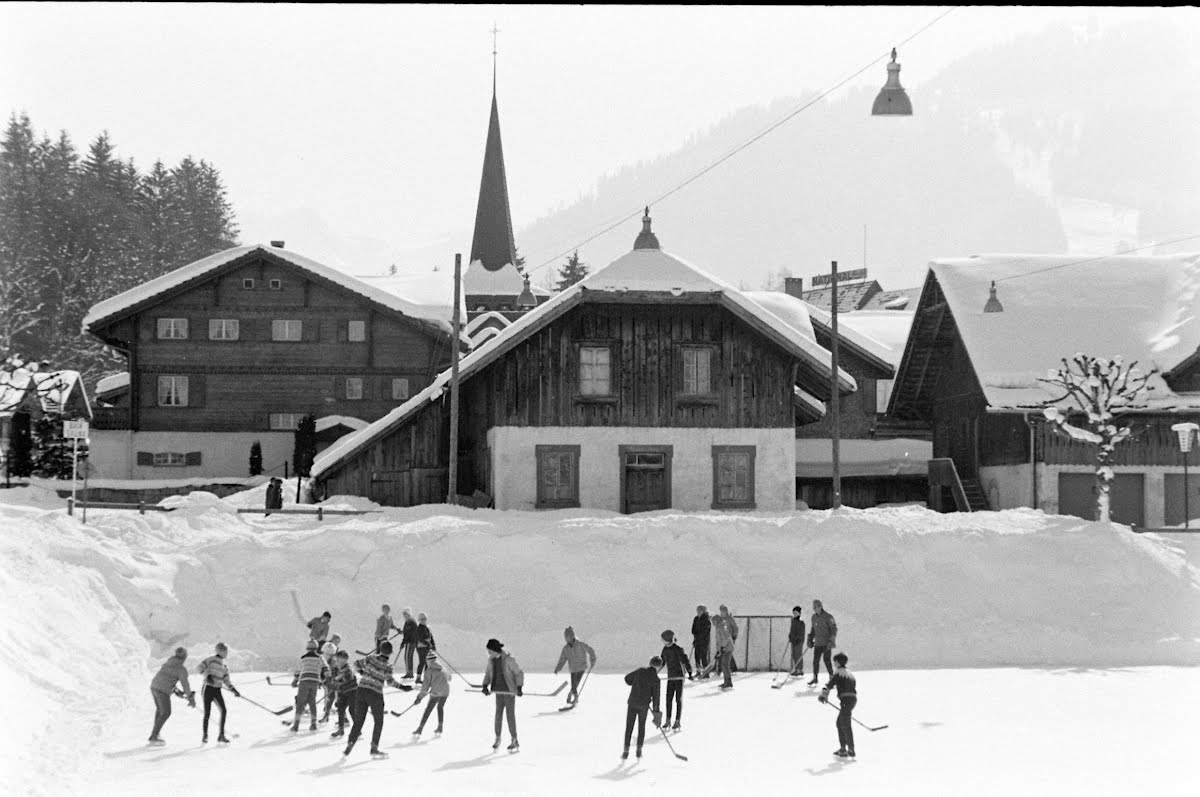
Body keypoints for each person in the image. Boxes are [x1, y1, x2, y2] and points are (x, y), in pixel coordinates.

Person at [344, 640, 409, 758]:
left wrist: (361, 672)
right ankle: (374, 748)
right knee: (378, 721)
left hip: (361, 690)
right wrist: (403, 687)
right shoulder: (388, 666)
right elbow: (390, 682)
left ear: (380, 649)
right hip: (375, 694)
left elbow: (356, 664)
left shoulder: (371, 658)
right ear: (391, 653)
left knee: (359, 721)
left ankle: (350, 743)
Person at [481, 638, 524, 752]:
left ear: (495, 650)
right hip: (498, 691)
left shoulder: (508, 660)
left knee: (510, 716)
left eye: (490, 651)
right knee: (498, 715)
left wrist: (519, 687)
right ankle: (498, 738)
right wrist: (485, 685)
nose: (489, 653)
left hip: (509, 692)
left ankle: (514, 739)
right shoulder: (491, 660)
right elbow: (488, 674)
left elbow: (518, 673)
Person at [149, 647, 194, 744]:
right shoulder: (181, 669)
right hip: (162, 690)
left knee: (160, 710)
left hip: (154, 686)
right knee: (166, 712)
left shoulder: (169, 662)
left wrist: (176, 691)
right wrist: (191, 698)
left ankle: (155, 733)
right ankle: (154, 736)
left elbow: (167, 678)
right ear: (184, 657)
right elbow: (185, 685)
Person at [196, 642, 240, 743]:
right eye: (225, 651)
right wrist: (208, 676)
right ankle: (205, 736)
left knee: (223, 711)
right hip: (207, 688)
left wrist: (234, 690)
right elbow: (199, 669)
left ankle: (221, 736)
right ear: (220, 651)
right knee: (207, 713)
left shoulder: (224, 665)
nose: (226, 653)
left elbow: (226, 680)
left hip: (217, 690)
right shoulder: (210, 660)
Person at [622, 656, 663, 760]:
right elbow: (656, 699)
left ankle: (626, 750)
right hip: (643, 706)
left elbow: (627, 679)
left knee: (629, 727)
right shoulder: (656, 680)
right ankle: (639, 751)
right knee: (641, 727)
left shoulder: (640, 671)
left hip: (632, 702)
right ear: (659, 667)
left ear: (650, 663)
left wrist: (636, 683)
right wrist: (656, 714)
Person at [818, 651, 857, 758]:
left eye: (834, 661)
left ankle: (850, 749)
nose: (834, 664)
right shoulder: (850, 673)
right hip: (852, 700)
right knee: (840, 723)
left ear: (838, 663)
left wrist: (823, 695)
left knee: (845, 724)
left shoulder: (839, 672)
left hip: (845, 701)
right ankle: (844, 748)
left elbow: (829, 685)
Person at [291, 640, 330, 732]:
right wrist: (326, 679)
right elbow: (326, 668)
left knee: (300, 703)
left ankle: (296, 725)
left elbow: (298, 671)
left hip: (304, 681)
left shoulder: (303, 658)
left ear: (307, 648)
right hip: (315, 682)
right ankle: (313, 724)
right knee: (312, 702)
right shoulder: (320, 657)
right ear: (317, 648)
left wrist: (295, 681)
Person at [554, 626, 597, 705]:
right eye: (565, 637)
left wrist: (592, 660)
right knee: (574, 684)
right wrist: (558, 668)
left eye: (567, 637)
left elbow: (590, 650)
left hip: (581, 667)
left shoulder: (580, 644)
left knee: (575, 684)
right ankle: (571, 694)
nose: (566, 639)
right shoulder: (566, 648)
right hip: (573, 669)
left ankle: (575, 698)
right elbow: (562, 659)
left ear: (572, 636)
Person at [659, 630, 692, 731]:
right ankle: (668, 719)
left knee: (678, 699)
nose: (661, 641)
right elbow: (662, 662)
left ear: (667, 640)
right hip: (671, 677)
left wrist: (689, 672)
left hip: (679, 677)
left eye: (663, 639)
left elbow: (685, 660)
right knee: (668, 699)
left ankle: (677, 721)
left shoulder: (677, 649)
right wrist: (654, 672)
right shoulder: (665, 650)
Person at [413, 649, 451, 736]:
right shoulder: (442, 668)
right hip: (445, 692)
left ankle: (420, 728)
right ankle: (440, 727)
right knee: (440, 707)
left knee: (428, 710)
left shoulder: (428, 671)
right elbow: (449, 678)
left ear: (428, 661)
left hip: (436, 693)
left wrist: (419, 698)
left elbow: (425, 688)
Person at [807, 599, 838, 685]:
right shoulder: (813, 617)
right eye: (814, 607)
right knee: (815, 661)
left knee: (826, 660)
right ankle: (815, 678)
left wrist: (831, 640)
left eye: (817, 606)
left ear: (821, 606)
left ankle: (832, 678)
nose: (815, 609)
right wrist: (810, 639)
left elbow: (834, 629)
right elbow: (813, 629)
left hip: (826, 643)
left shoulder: (828, 617)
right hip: (818, 643)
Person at [329, 650, 357, 739]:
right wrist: (334, 686)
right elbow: (335, 680)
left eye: (339, 659)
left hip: (352, 692)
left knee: (352, 710)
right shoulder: (336, 669)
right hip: (343, 693)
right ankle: (341, 729)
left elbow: (348, 681)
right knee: (340, 709)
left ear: (345, 660)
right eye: (336, 659)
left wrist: (339, 686)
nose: (337, 661)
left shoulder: (348, 669)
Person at [320, 634, 341, 723]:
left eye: (328, 654)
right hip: (329, 685)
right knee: (329, 700)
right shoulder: (323, 660)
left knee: (340, 702)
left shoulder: (334, 662)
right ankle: (326, 716)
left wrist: (335, 681)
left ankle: (344, 719)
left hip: (336, 685)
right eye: (325, 653)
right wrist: (321, 680)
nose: (326, 655)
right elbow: (322, 672)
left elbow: (337, 674)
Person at [712, 614, 735, 689]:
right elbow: (719, 641)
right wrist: (718, 651)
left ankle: (728, 682)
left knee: (725, 664)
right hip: (724, 648)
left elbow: (726, 639)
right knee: (723, 664)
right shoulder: (719, 627)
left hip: (728, 648)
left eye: (714, 621)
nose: (713, 623)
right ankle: (726, 681)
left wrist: (722, 647)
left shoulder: (722, 628)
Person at [415, 612, 436, 684]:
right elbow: (420, 638)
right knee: (422, 662)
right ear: (419, 620)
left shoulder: (427, 627)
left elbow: (431, 637)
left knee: (428, 662)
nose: (423, 620)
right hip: (421, 647)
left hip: (427, 647)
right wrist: (428, 644)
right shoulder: (419, 628)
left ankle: (426, 678)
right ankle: (418, 677)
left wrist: (433, 645)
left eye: (424, 619)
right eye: (422, 619)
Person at [691, 605, 711, 678]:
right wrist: (695, 634)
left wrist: (699, 635)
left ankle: (706, 673)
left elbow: (705, 631)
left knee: (703, 657)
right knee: (697, 656)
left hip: (704, 641)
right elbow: (693, 629)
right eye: (697, 610)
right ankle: (698, 671)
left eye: (700, 610)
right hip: (697, 640)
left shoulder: (706, 620)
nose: (698, 612)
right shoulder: (696, 619)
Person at [720, 605, 739, 672]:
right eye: (721, 611)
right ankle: (723, 668)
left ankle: (733, 668)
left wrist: (734, 636)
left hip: (730, 638)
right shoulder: (721, 619)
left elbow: (735, 628)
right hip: (723, 639)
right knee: (723, 653)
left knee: (728, 653)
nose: (722, 612)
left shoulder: (729, 619)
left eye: (723, 611)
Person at [399, 608, 418, 679]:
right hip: (412, 642)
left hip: (410, 642)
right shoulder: (411, 621)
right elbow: (406, 632)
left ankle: (409, 673)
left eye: (405, 614)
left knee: (407, 657)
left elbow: (407, 634)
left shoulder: (409, 622)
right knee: (409, 657)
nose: (404, 616)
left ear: (408, 614)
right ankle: (410, 673)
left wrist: (403, 643)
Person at [788, 606, 806, 676]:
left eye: (796, 613)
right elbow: (792, 630)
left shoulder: (801, 621)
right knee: (794, 655)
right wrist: (790, 636)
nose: (794, 614)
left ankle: (800, 669)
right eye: (793, 613)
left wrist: (797, 638)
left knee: (798, 654)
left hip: (799, 641)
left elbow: (801, 632)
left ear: (799, 613)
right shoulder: (793, 620)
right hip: (793, 640)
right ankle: (796, 669)